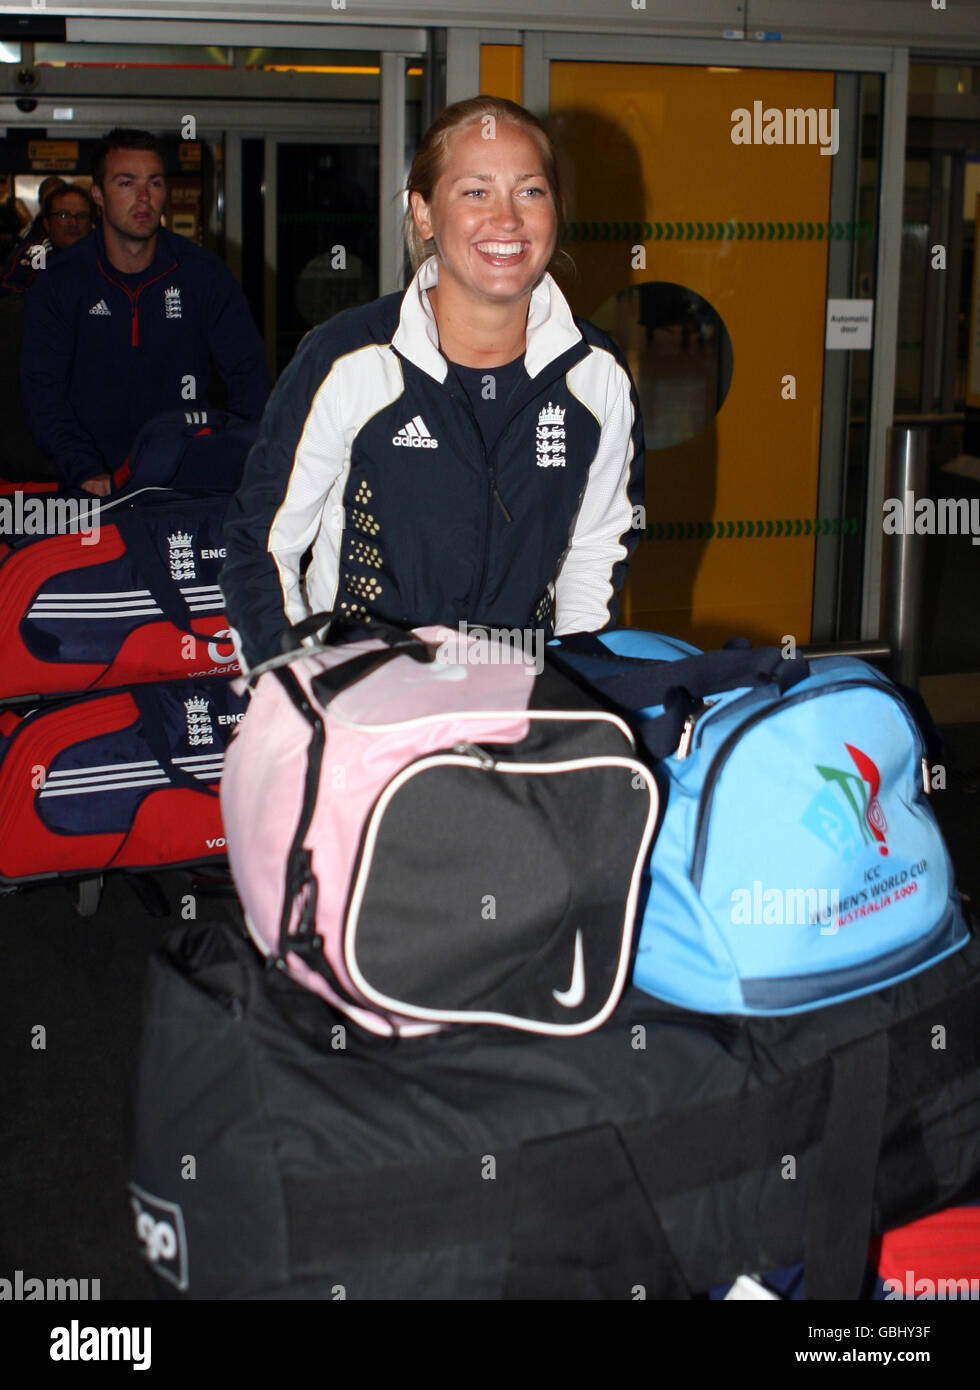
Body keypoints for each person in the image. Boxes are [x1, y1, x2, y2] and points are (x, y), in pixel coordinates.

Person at [220, 96, 646, 671]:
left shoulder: (597, 374)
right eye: (476, 191)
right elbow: (263, 545)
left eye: (530, 190)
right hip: (364, 705)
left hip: (518, 701)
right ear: (423, 213)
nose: (508, 219)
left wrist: (575, 678)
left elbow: (597, 550)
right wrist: (298, 684)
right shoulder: (348, 360)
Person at [20, 128, 271, 495]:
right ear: (97, 194)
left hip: (188, 482)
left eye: (154, 183)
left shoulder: (203, 275)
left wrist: (239, 455)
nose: (143, 198)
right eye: (126, 183)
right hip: (91, 487)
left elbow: (250, 376)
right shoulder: (62, 282)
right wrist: (84, 468)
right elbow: (42, 390)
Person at [0, 176, 66, 296]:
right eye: (49, 202)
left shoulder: (90, 240)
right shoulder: (38, 247)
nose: (73, 222)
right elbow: (11, 284)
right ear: (41, 203)